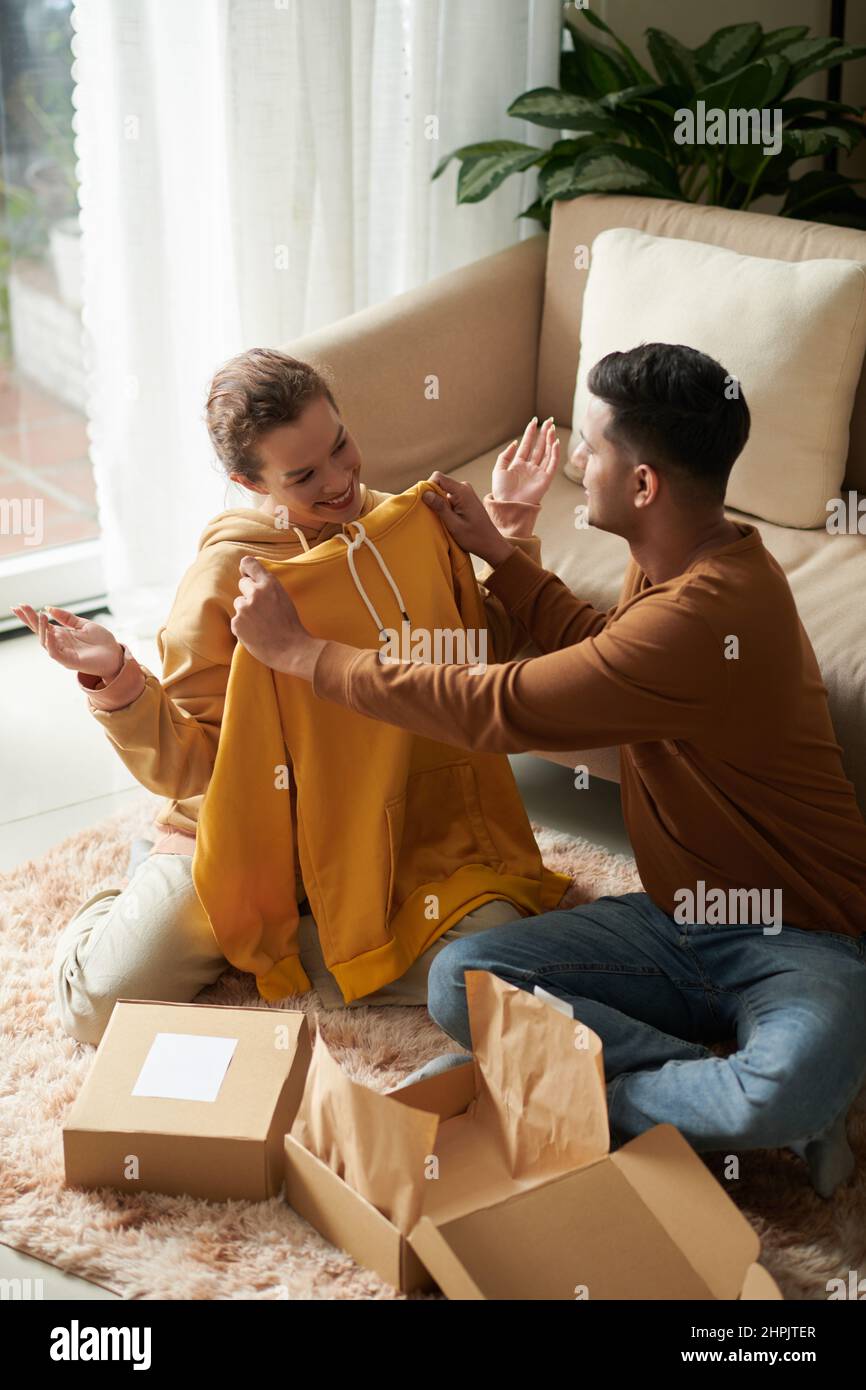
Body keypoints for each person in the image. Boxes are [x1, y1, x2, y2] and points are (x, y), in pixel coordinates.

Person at [230, 342, 866, 1199]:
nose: (573, 460)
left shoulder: (712, 611)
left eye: (591, 447)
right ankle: (696, 1084)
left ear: (642, 484)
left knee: (776, 1093)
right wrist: (502, 549)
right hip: (681, 920)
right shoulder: (679, 549)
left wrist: (306, 654)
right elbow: (604, 648)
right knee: (468, 981)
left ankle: (615, 1098)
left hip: (804, 937)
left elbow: (498, 707)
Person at [13, 348, 559, 1044]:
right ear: (249, 481)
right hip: (254, 837)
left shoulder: (402, 528)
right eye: (303, 476)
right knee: (98, 1005)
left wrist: (511, 524)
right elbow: (194, 766)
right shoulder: (223, 580)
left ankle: (268, 952)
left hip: (384, 828)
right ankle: (153, 890)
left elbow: (477, 659)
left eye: (340, 447)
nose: (338, 481)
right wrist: (117, 679)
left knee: (491, 964)